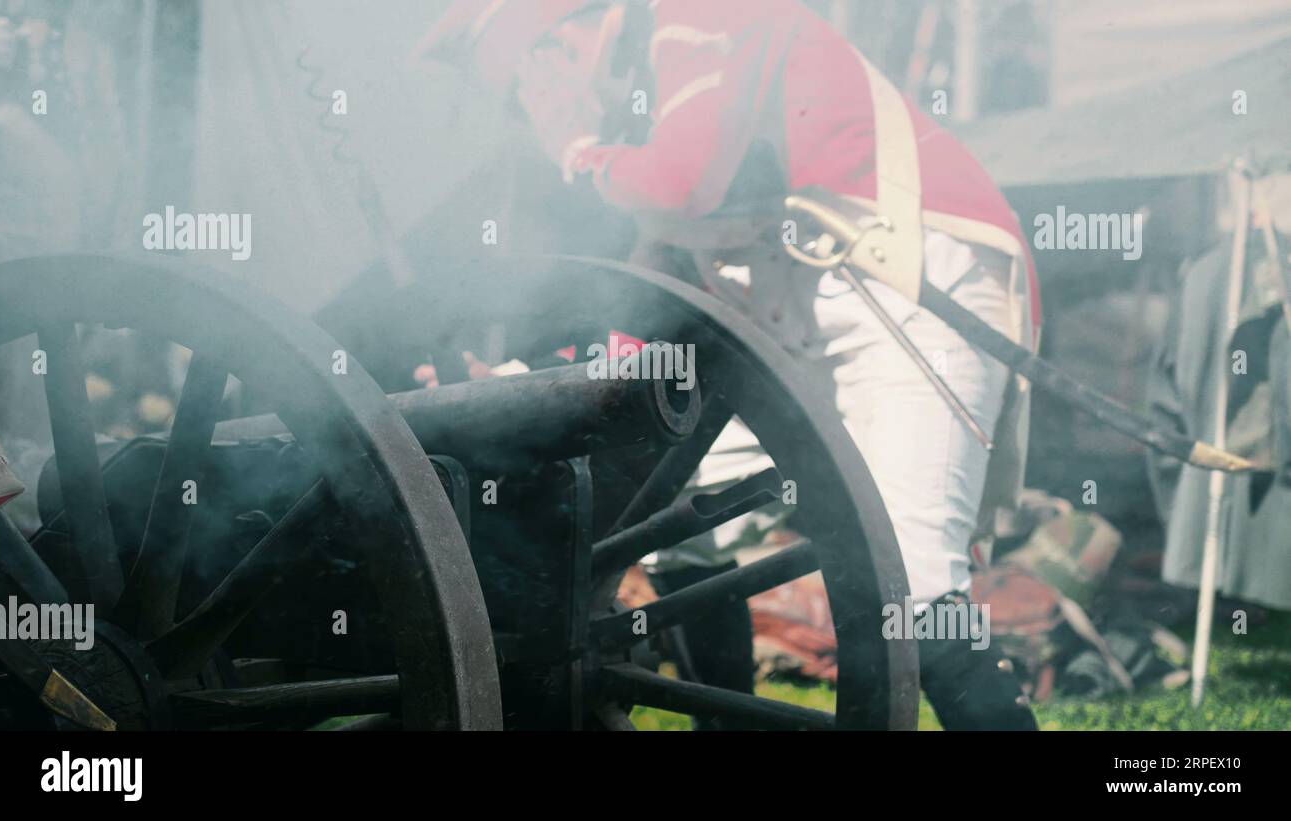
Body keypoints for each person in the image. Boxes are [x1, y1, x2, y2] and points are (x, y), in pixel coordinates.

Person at [417, 0, 1041, 730]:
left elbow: (685, 183)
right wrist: (525, 386)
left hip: (909, 277)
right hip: (785, 311)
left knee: (913, 577)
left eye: (522, 87)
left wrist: (582, 151)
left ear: (555, 49)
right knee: (689, 519)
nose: (532, 112)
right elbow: (663, 290)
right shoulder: (641, 100)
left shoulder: (697, 13)